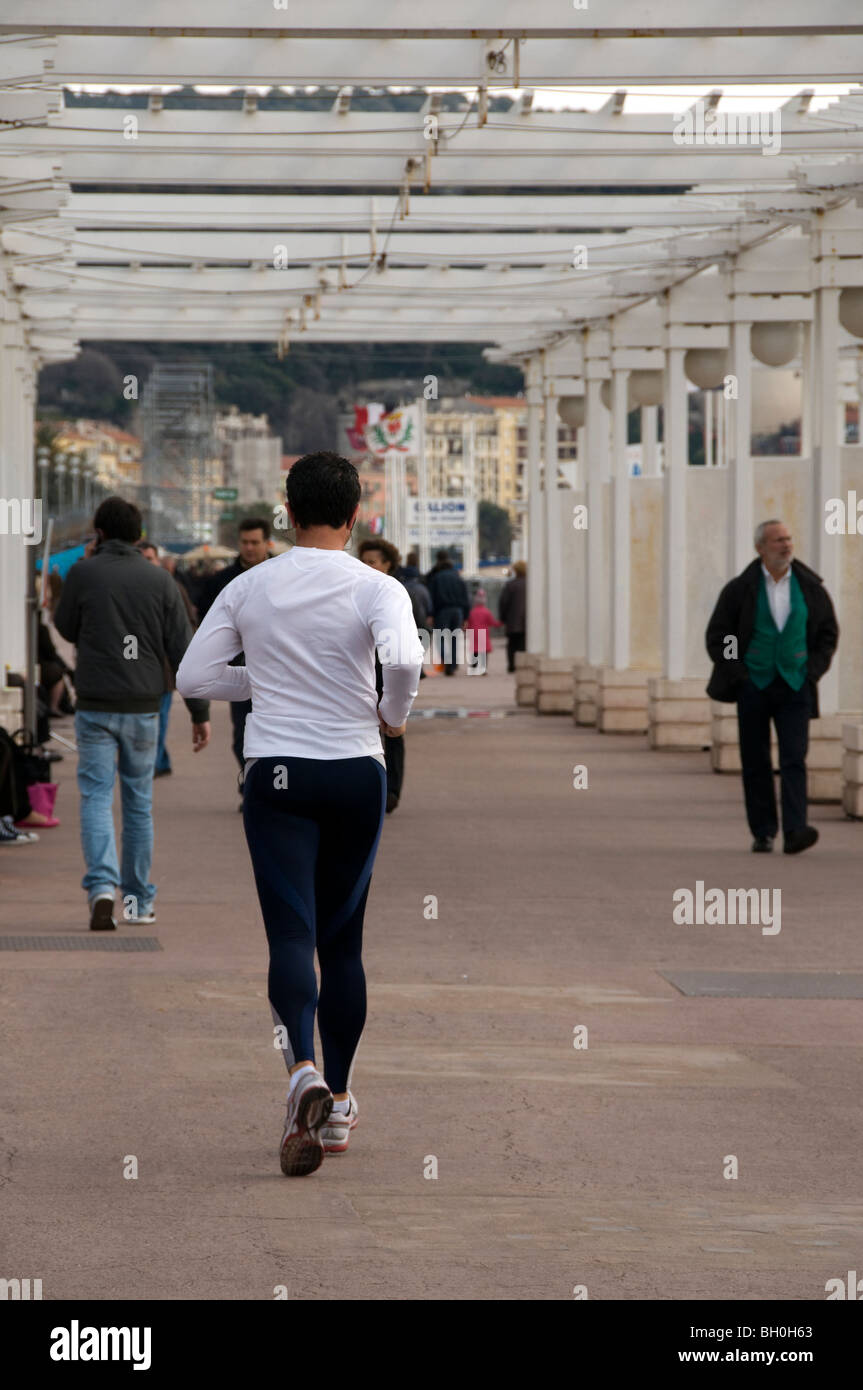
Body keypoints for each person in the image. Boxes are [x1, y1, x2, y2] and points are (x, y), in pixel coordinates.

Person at [177, 452, 423, 1177]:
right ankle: (339, 1101)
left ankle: (302, 1070)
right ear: (355, 517)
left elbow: (192, 676)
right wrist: (390, 715)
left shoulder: (249, 585)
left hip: (276, 773)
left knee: (291, 932)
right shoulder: (377, 586)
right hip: (354, 771)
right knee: (342, 942)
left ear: (286, 511)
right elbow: (404, 663)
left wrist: (269, 676)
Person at [53, 498, 211, 931]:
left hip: (95, 706)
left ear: (98, 533)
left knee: (96, 797)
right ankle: (137, 901)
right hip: (144, 706)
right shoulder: (159, 580)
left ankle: (101, 888)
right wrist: (199, 711)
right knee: (138, 804)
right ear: (140, 536)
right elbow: (182, 648)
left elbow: (65, 627)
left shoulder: (83, 573)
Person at [705, 519, 839, 855]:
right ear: (760, 548)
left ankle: (795, 830)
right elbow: (724, 635)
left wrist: (811, 671)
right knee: (756, 760)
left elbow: (827, 633)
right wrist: (739, 673)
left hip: (795, 685)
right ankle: (763, 831)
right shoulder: (740, 589)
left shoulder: (810, 588)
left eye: (789, 539)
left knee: (794, 758)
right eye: (778, 540)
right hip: (754, 684)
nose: (786, 545)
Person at [197, 517, 272, 800]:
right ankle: (251, 787)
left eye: (255, 542)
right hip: (238, 668)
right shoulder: (221, 581)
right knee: (241, 733)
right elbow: (206, 623)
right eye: (245, 542)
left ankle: (271, 788)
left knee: (275, 732)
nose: (250, 548)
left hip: (278, 667)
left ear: (267, 543)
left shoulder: (283, 575)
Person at [138, 541, 199, 777]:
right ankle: (160, 761)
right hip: (136, 670)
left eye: (150, 558)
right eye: (141, 558)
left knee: (159, 720)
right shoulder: (129, 589)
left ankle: (154, 763)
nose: (146, 564)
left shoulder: (172, 588)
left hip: (163, 671)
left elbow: (188, 626)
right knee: (147, 721)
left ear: (159, 562)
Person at [358, 537, 410, 812]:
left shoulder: (398, 592)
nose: (367, 566)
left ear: (387, 564)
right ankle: (369, 788)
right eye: (363, 561)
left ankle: (391, 790)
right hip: (362, 673)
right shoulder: (354, 592)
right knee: (365, 730)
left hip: (390, 672)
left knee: (393, 731)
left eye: (373, 562)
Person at [426, 548, 470, 676]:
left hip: (442, 611)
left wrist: (430, 614)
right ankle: (454, 664)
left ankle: (447, 662)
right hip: (458, 611)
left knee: (440, 638)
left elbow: (431, 597)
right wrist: (466, 617)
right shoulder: (458, 577)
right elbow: (465, 598)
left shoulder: (436, 577)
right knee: (454, 638)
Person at [464, 587, 502, 674]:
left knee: (474, 652)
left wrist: (466, 631)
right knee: (483, 653)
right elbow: (492, 623)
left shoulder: (472, 612)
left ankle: (473, 668)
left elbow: (468, 623)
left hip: (473, 633)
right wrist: (501, 623)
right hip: (483, 634)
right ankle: (482, 669)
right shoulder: (486, 612)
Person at [498, 560, 527, 673]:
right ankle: (523, 665)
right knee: (523, 644)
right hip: (527, 621)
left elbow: (503, 602)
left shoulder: (510, 585)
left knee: (512, 644)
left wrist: (503, 617)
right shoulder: (531, 584)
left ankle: (512, 665)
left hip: (513, 620)